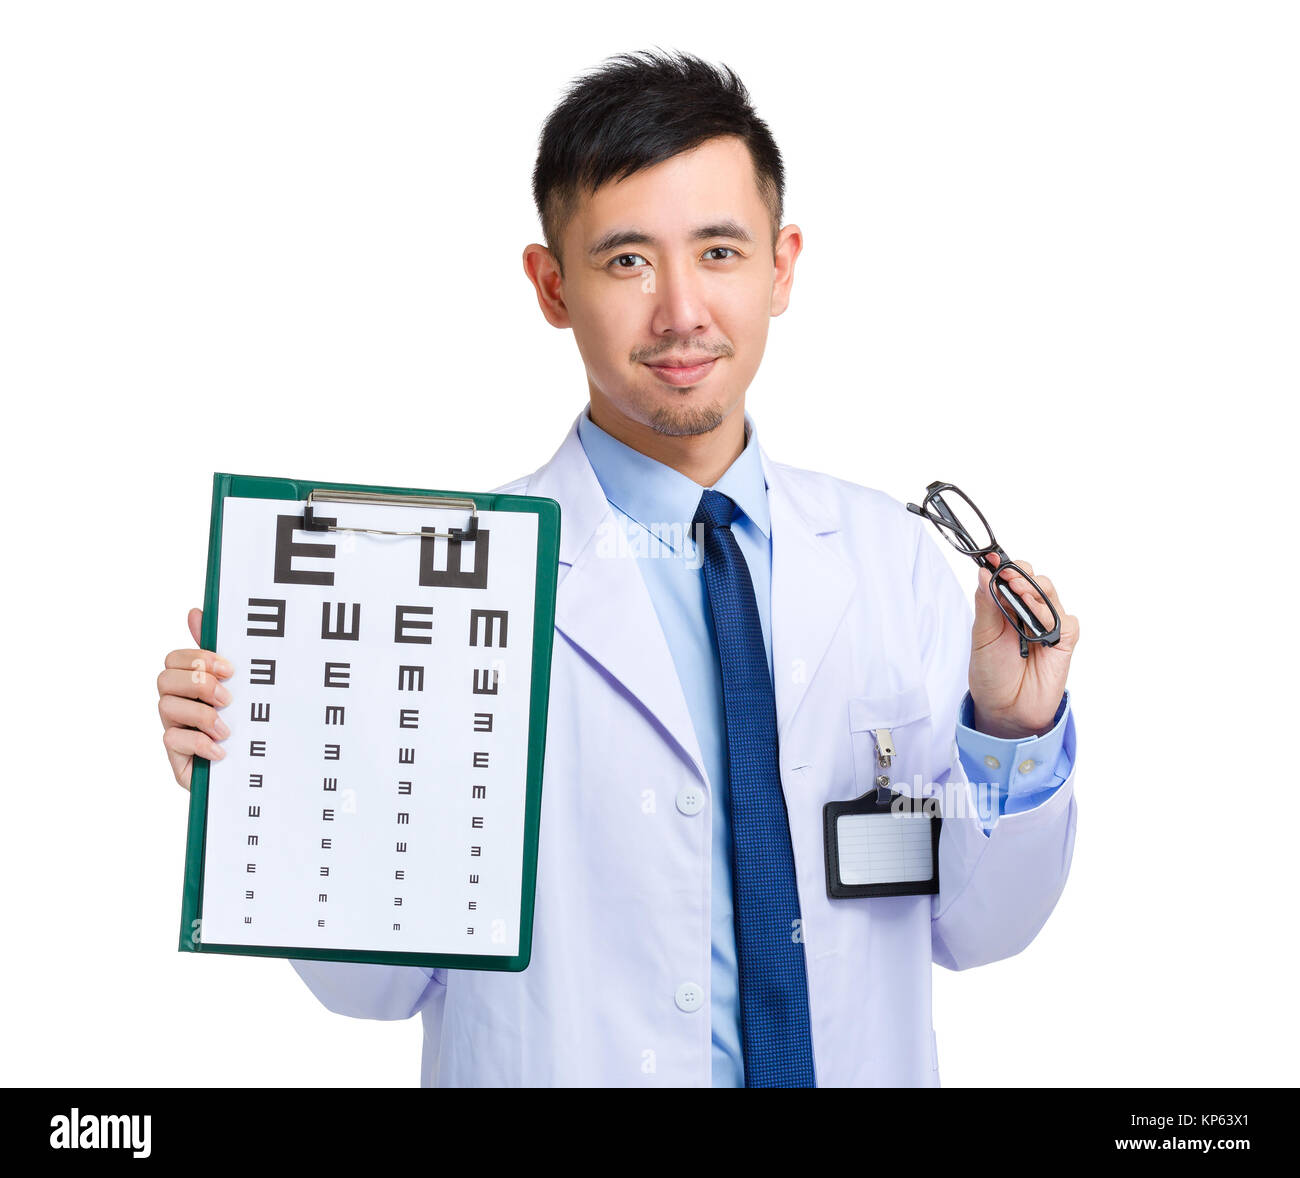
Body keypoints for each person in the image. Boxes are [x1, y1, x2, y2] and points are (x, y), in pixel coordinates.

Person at [157, 48, 1080, 1088]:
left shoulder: (891, 563)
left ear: (782, 267)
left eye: (720, 252)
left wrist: (1011, 732)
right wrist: (269, 783)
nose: (681, 310)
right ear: (551, 285)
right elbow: (370, 987)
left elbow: (982, 926)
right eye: (627, 260)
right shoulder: (434, 592)